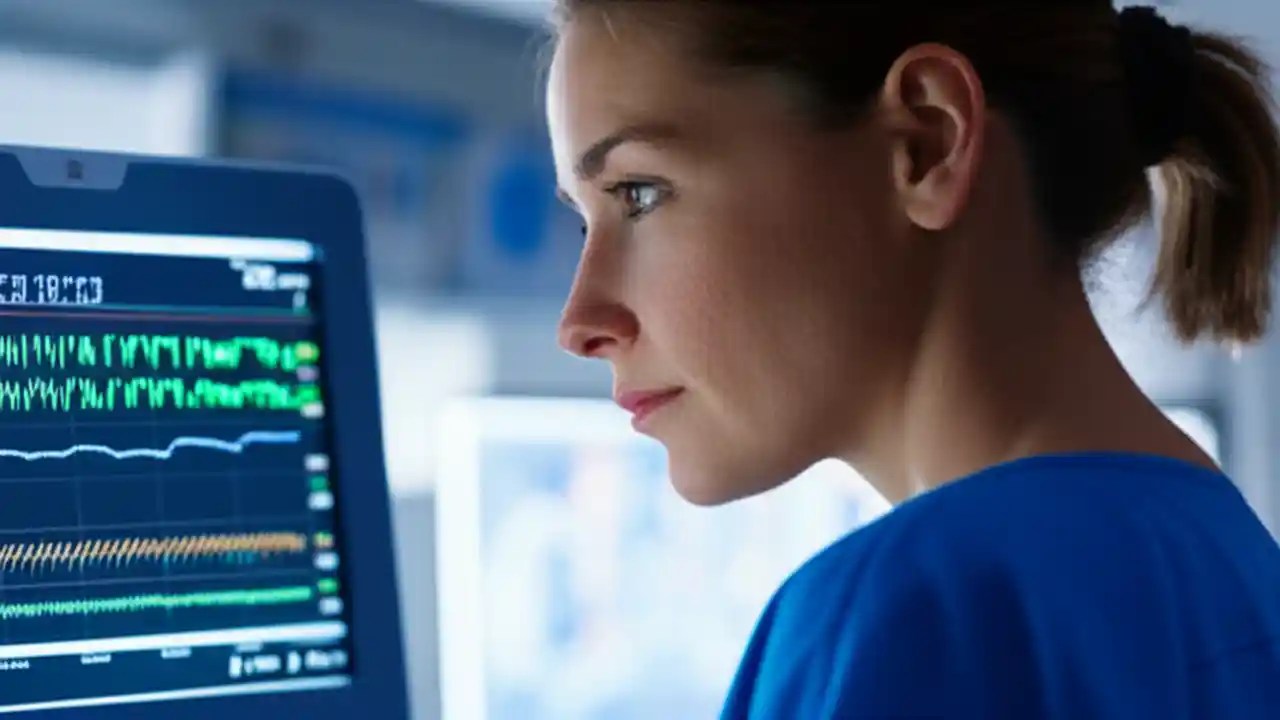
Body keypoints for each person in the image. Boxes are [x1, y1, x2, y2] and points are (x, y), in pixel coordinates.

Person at [545, 0, 1280, 717]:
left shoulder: (908, 614)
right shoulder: (1238, 570)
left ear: (924, 145)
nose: (580, 322)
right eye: (584, 223)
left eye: (638, 193)